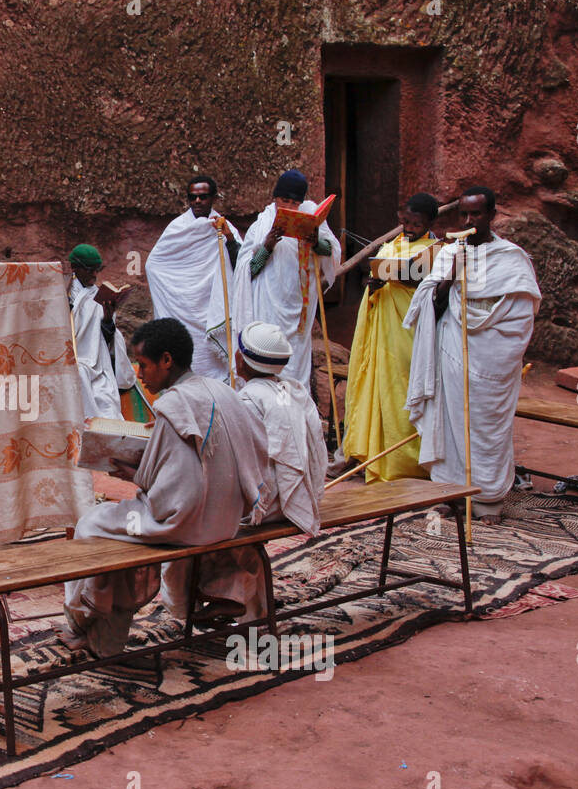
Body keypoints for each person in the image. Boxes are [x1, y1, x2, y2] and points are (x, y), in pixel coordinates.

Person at [61, 319, 272, 658]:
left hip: (182, 525)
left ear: (167, 361)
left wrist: (134, 474)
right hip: (228, 520)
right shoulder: (224, 392)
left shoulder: (173, 406)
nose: (139, 374)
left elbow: (166, 496)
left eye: (143, 365)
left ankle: (86, 619)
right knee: (112, 519)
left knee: (92, 524)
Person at [404, 186, 540, 524]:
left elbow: (522, 318)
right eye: (463, 214)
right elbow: (429, 305)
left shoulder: (512, 258)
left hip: (493, 360)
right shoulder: (451, 253)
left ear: (492, 215)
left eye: (476, 214)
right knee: (450, 421)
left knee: (486, 425)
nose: (468, 221)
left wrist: (495, 345)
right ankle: (450, 492)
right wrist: (450, 279)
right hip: (452, 350)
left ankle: (488, 499)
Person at [343, 193, 441, 482]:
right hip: (381, 329)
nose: (407, 228)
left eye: (414, 223)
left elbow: (425, 282)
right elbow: (376, 277)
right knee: (377, 385)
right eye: (403, 222)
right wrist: (373, 284)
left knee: (403, 389)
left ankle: (408, 463)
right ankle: (374, 455)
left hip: (410, 333)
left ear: (430, 222)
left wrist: (396, 274)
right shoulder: (391, 245)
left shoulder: (437, 250)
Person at [228, 169, 341, 387]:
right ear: (275, 198)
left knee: (296, 357)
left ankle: (296, 407)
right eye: (284, 200)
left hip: (299, 306)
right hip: (269, 304)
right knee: (268, 351)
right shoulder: (261, 225)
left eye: (294, 202)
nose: (289, 207)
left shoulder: (311, 215)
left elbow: (331, 251)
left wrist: (316, 241)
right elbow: (247, 271)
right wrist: (268, 246)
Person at [145, 175, 243, 380]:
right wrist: (178, 293)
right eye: (192, 197)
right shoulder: (178, 228)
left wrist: (229, 238)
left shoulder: (225, 227)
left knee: (213, 371)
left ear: (214, 198)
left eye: (203, 197)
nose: (197, 201)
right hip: (182, 310)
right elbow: (153, 265)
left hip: (211, 308)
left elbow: (242, 265)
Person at [235, 321, 327, 536]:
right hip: (300, 494)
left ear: (241, 360)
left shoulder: (250, 399)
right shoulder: (293, 391)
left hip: (266, 506)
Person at [67, 244, 134, 420]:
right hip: (69, 357)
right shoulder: (63, 293)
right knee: (79, 373)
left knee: (105, 398)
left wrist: (107, 320)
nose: (95, 275)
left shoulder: (97, 295)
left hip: (96, 362)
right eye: (90, 270)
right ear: (75, 268)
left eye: (98, 270)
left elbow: (102, 341)